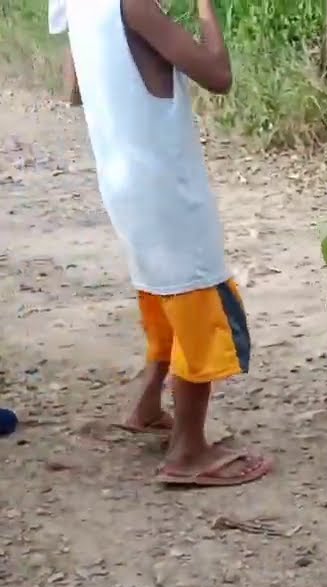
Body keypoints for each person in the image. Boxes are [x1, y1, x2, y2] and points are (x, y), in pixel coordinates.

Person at [52, 0, 272, 487]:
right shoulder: (133, 7)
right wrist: (205, 9)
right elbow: (218, 75)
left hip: (121, 176)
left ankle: (147, 404)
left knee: (161, 288)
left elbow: (72, 89)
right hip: (162, 183)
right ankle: (188, 451)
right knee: (197, 296)